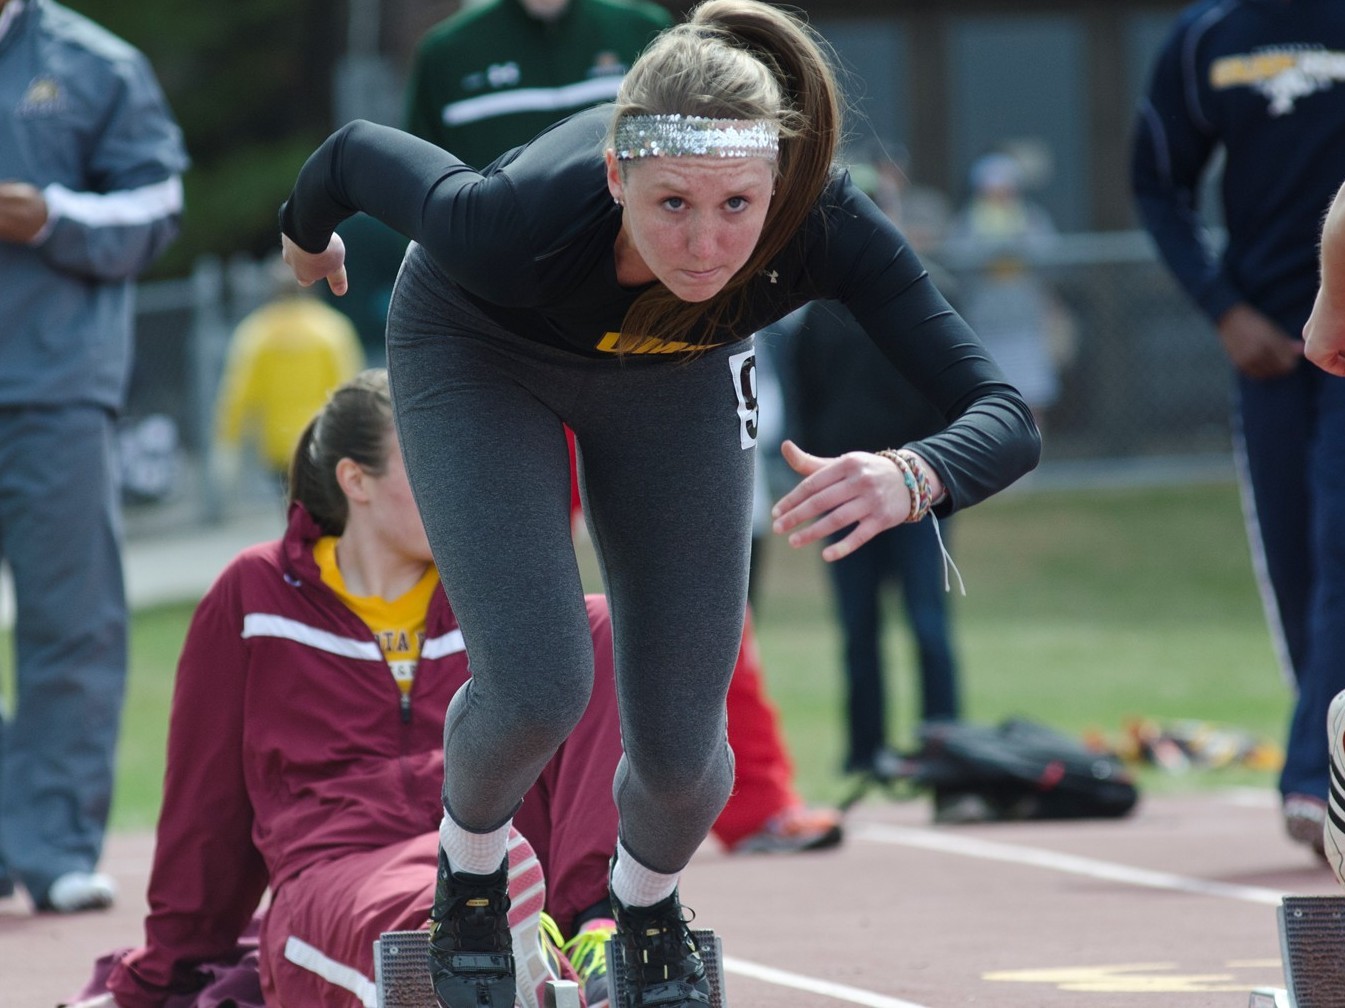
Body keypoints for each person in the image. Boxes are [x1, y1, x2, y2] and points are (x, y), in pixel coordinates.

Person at [278, 3, 1040, 1006]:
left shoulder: (824, 220)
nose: (705, 242)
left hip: (673, 372)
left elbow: (1006, 415)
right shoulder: (505, 218)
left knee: (685, 754)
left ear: (780, 189)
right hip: (481, 346)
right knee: (537, 687)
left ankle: (642, 909)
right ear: (613, 176)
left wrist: (911, 474)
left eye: (738, 206)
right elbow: (350, 152)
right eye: (670, 204)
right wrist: (305, 244)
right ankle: (467, 875)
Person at [75, 369, 834, 1008]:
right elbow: (202, 808)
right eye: (432, 463)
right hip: (337, 871)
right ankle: (511, 942)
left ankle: (593, 927)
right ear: (356, 482)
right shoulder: (255, 595)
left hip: (491, 842)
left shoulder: (497, 592)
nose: (460, 485)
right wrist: (166, 969)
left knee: (601, 626)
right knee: (417, 916)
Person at [408, 0, 843, 854]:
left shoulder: (646, 33)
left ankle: (750, 797)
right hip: (494, 347)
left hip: (658, 339)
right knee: (513, 634)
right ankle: (444, 809)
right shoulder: (450, 51)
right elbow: (430, 193)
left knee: (689, 601)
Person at [1132, 1, 1345, 861]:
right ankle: (1327, 756)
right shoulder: (1203, 40)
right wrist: (1222, 311)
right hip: (1262, 345)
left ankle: (1305, 775)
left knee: (1342, 545)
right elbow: (1155, 182)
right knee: (1294, 558)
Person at [0, 0, 187, 913]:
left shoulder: (96, 63)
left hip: (52, 385)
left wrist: (51, 216)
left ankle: (55, 847)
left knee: (69, 619)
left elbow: (158, 202)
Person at [776, 296, 962, 780]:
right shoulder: (821, 315)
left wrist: (927, 468)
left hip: (915, 487)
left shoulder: (921, 300)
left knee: (928, 623)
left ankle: (943, 747)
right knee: (859, 628)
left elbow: (953, 389)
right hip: (844, 488)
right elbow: (804, 394)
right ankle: (865, 752)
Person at [405, 0, 671, 171]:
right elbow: (418, 183)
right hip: (498, 255)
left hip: (622, 252)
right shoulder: (446, 56)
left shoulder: (645, 32)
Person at [214, 255, 365, 487]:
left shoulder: (256, 334)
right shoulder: (331, 329)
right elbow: (349, 388)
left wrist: (227, 443)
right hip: (323, 439)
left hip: (279, 447)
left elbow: (237, 394)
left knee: (291, 511)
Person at [945, 151, 1066, 427]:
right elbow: (957, 263)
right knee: (990, 401)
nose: (1000, 196)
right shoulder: (967, 224)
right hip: (986, 330)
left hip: (1026, 327)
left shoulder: (1032, 220)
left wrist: (1019, 240)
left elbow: (1054, 261)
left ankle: (1033, 463)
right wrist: (989, 246)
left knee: (1032, 400)